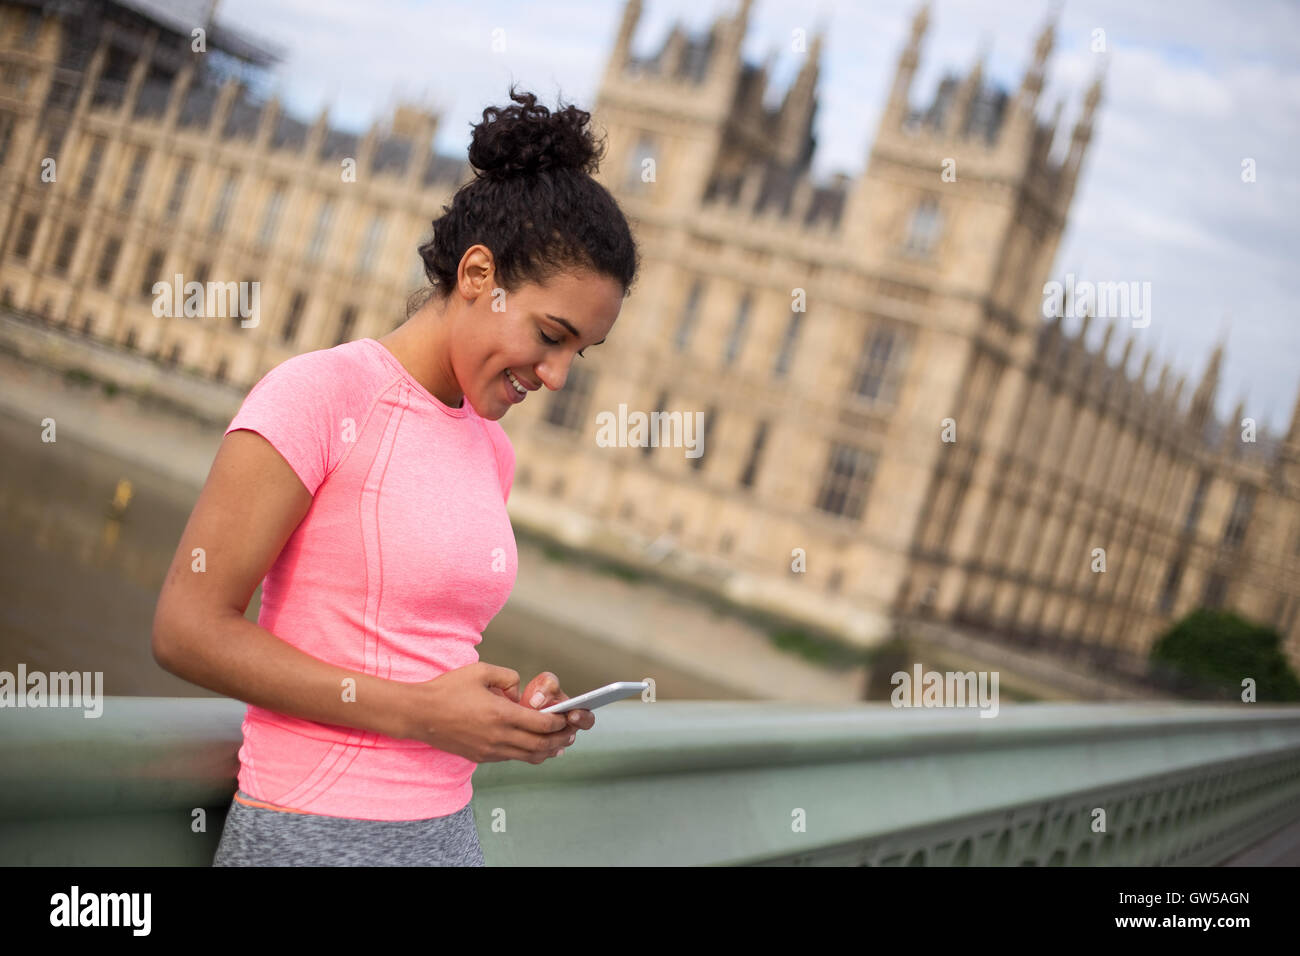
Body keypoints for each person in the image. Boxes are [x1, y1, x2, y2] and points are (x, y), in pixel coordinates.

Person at [151, 84, 640, 866]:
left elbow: (411, 651)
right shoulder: (318, 394)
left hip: (445, 833)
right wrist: (423, 712)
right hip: (314, 834)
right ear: (479, 275)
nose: (555, 377)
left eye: (576, 353)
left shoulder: (491, 447)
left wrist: (504, 714)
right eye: (550, 336)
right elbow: (186, 630)